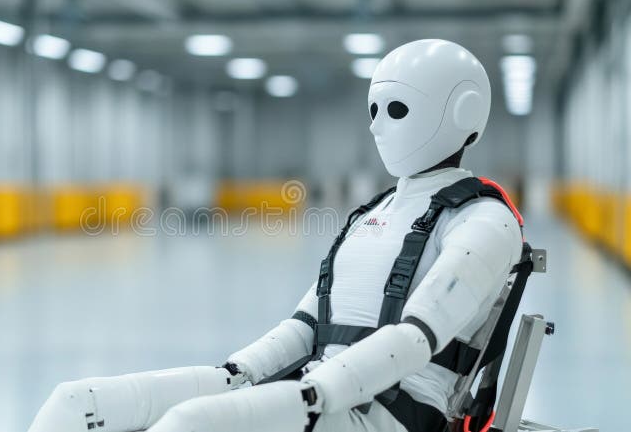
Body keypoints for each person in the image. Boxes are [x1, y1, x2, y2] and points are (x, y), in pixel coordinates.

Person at [27, 39, 523, 432]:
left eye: (396, 109)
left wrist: (313, 394)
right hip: (319, 394)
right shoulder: (373, 213)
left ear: (462, 112)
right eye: (373, 110)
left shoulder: (484, 220)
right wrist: (237, 375)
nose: (377, 128)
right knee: (75, 405)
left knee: (190, 424)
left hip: (387, 415)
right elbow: (306, 325)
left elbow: (414, 341)